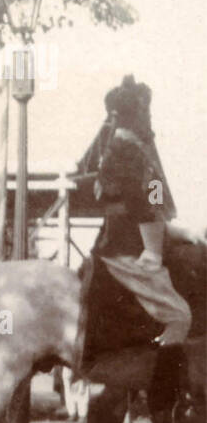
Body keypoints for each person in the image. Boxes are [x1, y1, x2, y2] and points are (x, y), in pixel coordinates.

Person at [81, 75, 191, 394]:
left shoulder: (117, 150)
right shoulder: (133, 154)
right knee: (180, 316)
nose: (150, 121)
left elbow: (150, 202)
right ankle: (161, 392)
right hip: (127, 250)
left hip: (118, 241)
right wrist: (154, 250)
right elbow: (146, 205)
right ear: (138, 115)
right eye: (147, 114)